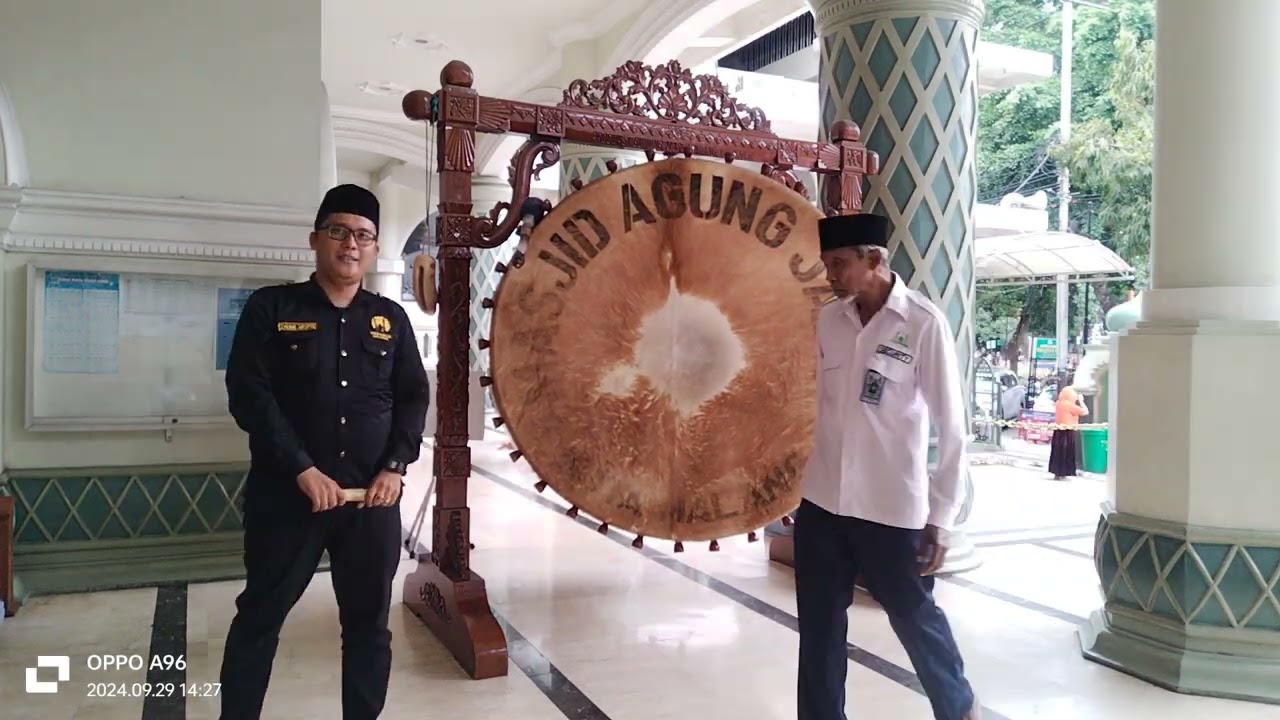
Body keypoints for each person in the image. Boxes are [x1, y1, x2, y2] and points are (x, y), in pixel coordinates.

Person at [218, 183, 430, 720]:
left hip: (370, 503)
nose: (350, 244)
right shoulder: (271, 308)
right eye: (338, 231)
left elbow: (413, 397)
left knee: (368, 627)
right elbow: (248, 394)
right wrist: (302, 468)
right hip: (288, 499)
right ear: (315, 239)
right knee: (260, 617)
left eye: (363, 235)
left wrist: (396, 466)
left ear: (375, 248)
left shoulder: (391, 319)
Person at [795, 213, 978, 720]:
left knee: (912, 613)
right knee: (819, 625)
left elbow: (952, 427)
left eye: (839, 263)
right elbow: (823, 406)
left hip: (889, 506)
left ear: (874, 259)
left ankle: (958, 706)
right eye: (827, 263)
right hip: (823, 501)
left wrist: (942, 517)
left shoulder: (922, 324)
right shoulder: (830, 321)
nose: (830, 274)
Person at [1048, 371, 1089, 480]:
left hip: (1058, 430)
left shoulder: (1058, 403)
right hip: (1068, 431)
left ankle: (1057, 474)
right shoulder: (1069, 405)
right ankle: (1064, 474)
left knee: (1057, 453)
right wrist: (1081, 401)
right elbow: (1085, 411)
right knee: (1066, 453)